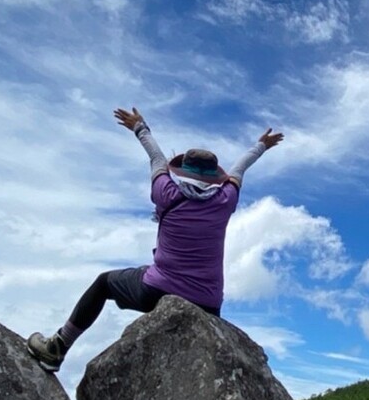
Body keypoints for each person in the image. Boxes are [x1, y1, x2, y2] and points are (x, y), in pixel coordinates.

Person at [26, 107, 284, 372]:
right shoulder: (225, 200)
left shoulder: (166, 193)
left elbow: (157, 159)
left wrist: (140, 127)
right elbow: (239, 169)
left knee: (104, 283)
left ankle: (58, 346)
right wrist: (261, 146)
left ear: (184, 171)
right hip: (207, 303)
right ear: (215, 177)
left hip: (158, 289)